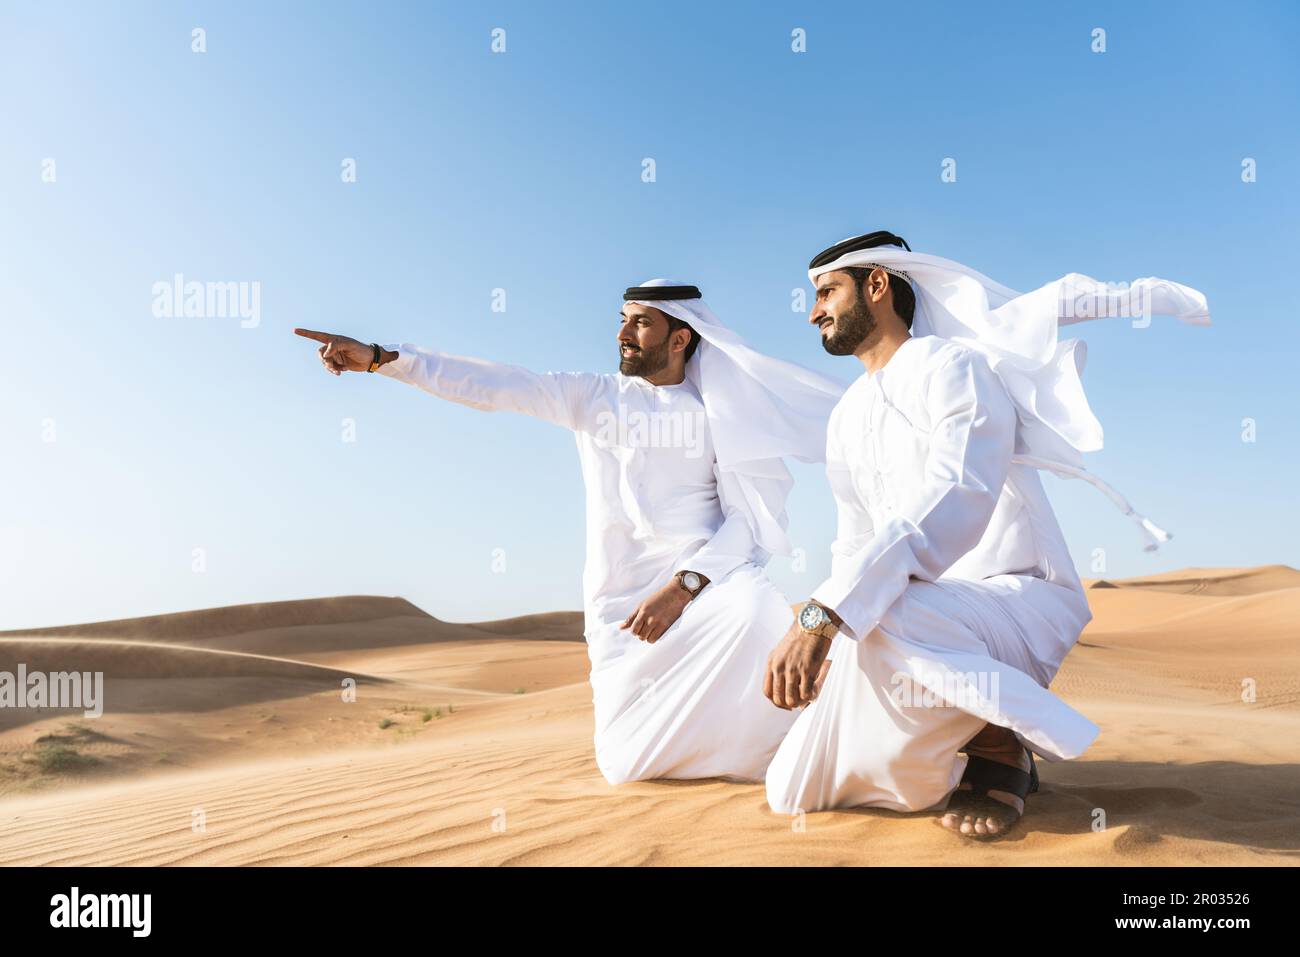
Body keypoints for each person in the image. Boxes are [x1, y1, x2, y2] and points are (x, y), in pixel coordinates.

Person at [294, 278, 845, 785]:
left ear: (680, 338)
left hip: (705, 584)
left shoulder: (719, 412)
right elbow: (496, 385)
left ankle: (796, 755)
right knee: (626, 765)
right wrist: (384, 360)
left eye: (641, 322)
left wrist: (685, 585)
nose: (623, 333)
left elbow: (744, 522)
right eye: (623, 320)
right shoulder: (593, 396)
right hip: (621, 597)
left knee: (758, 612)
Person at [762, 230, 1210, 839]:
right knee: (794, 785)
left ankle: (1002, 749)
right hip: (914, 611)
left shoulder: (955, 367)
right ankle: (951, 742)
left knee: (875, 604)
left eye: (827, 291)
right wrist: (831, 629)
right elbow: (852, 545)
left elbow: (955, 496)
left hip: (1014, 597)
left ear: (876, 286)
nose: (813, 310)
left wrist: (825, 613)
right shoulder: (847, 414)